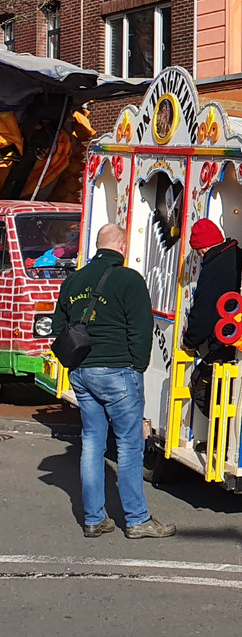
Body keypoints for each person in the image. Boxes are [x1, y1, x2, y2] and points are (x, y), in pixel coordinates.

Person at [51, 223, 175, 539]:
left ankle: (94, 518)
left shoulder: (74, 280)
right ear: (121, 245)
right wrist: (136, 366)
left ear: (98, 246)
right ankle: (137, 519)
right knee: (130, 445)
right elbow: (141, 329)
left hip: (81, 371)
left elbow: (57, 326)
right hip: (118, 370)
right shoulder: (128, 279)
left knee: (92, 441)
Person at [180, 218, 242, 412]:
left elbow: (205, 310)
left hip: (223, 339)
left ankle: (217, 440)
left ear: (204, 249)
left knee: (202, 389)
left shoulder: (214, 268)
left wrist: (190, 339)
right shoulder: (238, 256)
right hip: (238, 337)